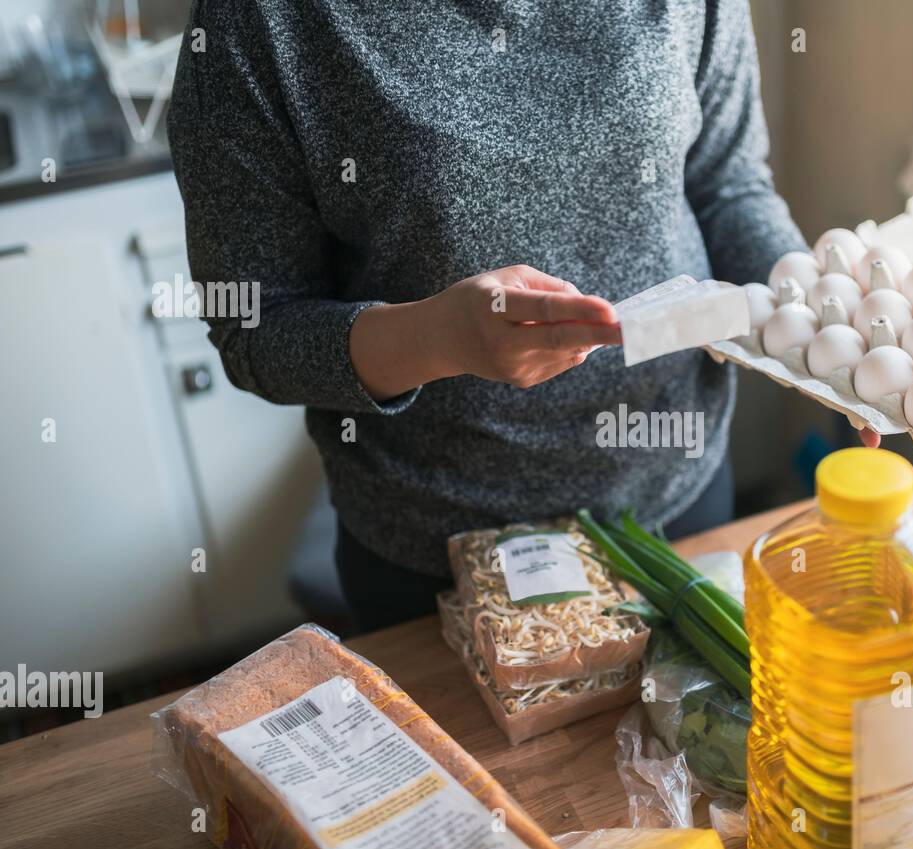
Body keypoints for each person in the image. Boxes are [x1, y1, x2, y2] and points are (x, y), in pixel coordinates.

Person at [169, 0, 864, 632]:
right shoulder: (260, 23)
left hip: (675, 485)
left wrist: (819, 326)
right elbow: (255, 326)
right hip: (434, 552)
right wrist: (435, 339)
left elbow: (727, 182)